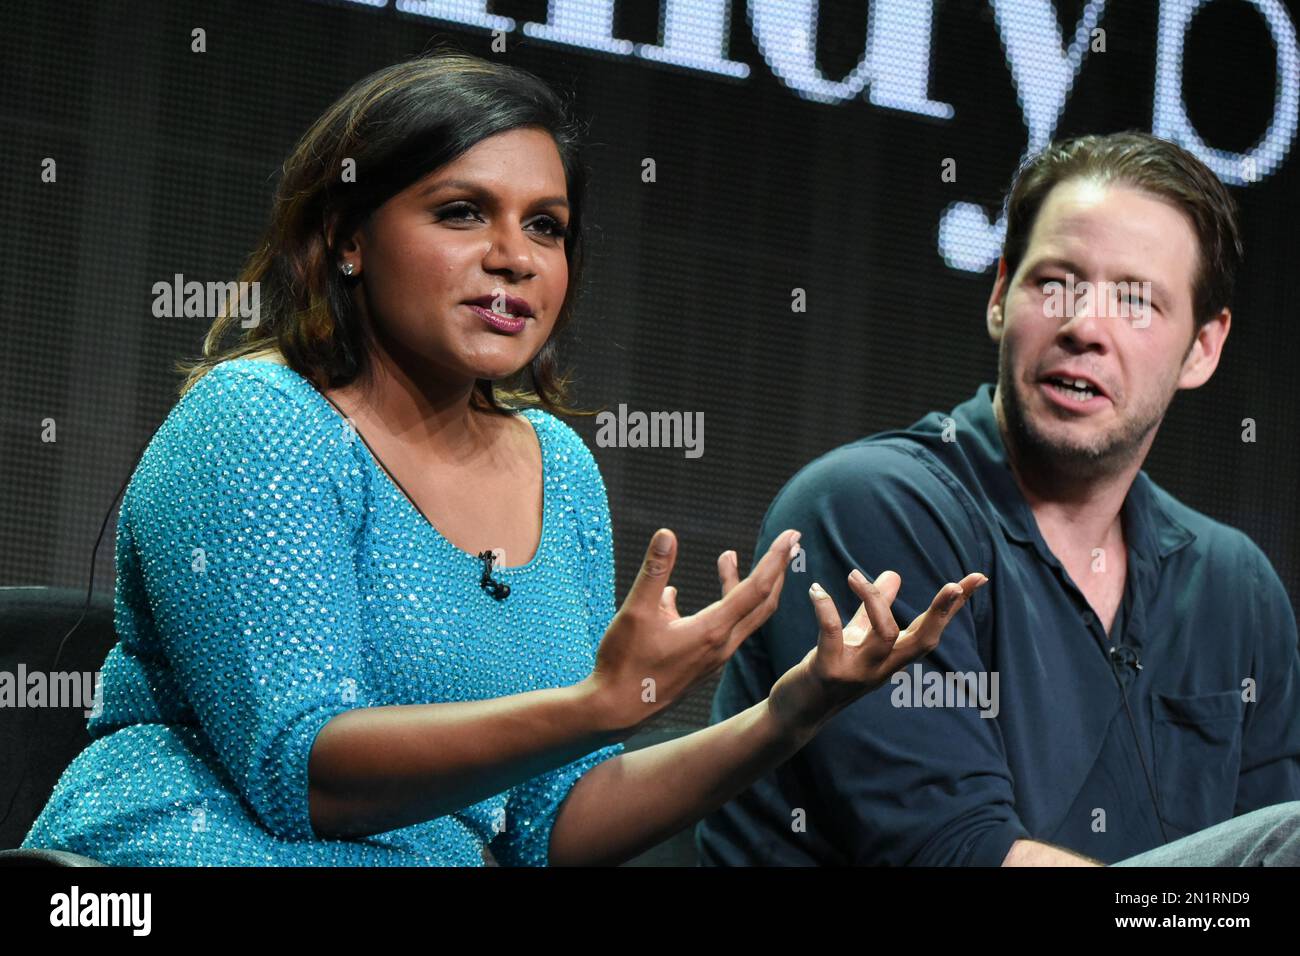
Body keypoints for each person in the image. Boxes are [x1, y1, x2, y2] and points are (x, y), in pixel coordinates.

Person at [21, 50, 984, 866]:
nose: (514, 257)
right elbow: (304, 776)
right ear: (348, 238)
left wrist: (790, 713)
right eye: (460, 212)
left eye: (545, 226)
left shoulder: (558, 467)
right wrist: (596, 705)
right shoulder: (260, 420)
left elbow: (552, 826)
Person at [697, 130, 1300, 867]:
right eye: (1055, 283)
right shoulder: (868, 508)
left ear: (1202, 348)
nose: (1084, 328)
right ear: (999, 296)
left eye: (1136, 300)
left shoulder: (1236, 589)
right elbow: (957, 856)